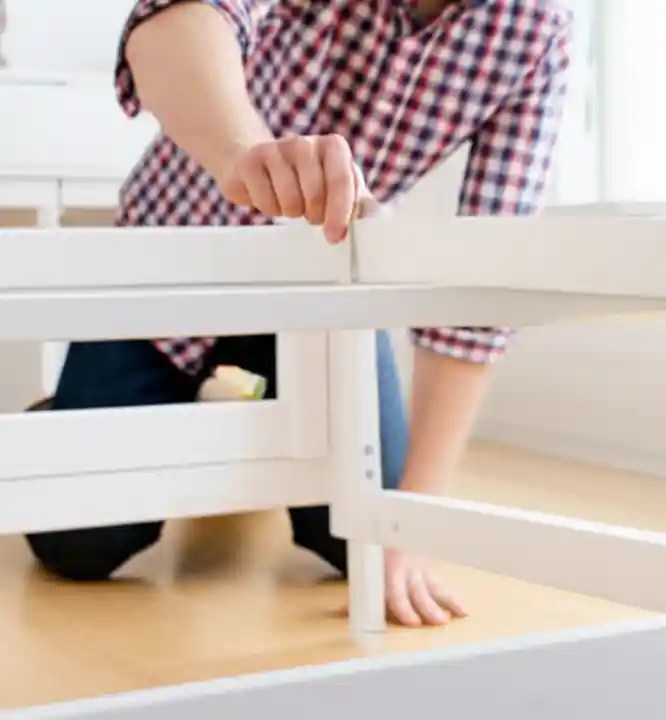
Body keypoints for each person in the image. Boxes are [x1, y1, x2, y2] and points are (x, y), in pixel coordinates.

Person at [24, 0, 573, 629]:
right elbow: (172, 23)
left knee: (361, 536)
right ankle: (73, 414)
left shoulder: (538, 30)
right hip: (170, 266)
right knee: (77, 541)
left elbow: (482, 291)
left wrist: (409, 529)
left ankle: (236, 425)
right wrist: (244, 155)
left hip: (322, 306)